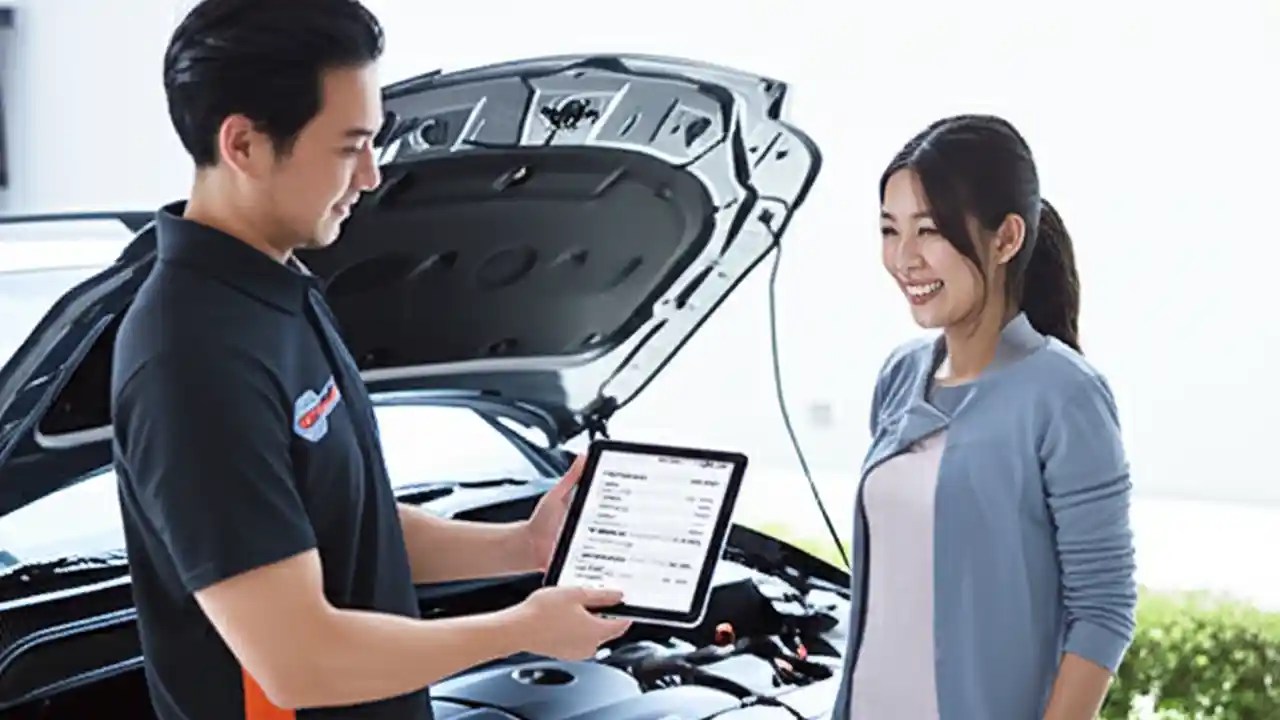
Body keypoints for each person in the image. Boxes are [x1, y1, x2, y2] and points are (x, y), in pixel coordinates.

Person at [109, 1, 629, 718]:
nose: (373, 176)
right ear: (245, 145)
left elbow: (345, 527)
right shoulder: (190, 362)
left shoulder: (277, 291)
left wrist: (522, 546)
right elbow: (301, 662)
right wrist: (523, 629)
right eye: (350, 146)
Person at [829, 114, 1138, 719]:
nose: (904, 258)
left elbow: (1103, 610)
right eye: (890, 231)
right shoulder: (900, 376)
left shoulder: (1064, 395)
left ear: (1005, 239)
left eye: (932, 231)